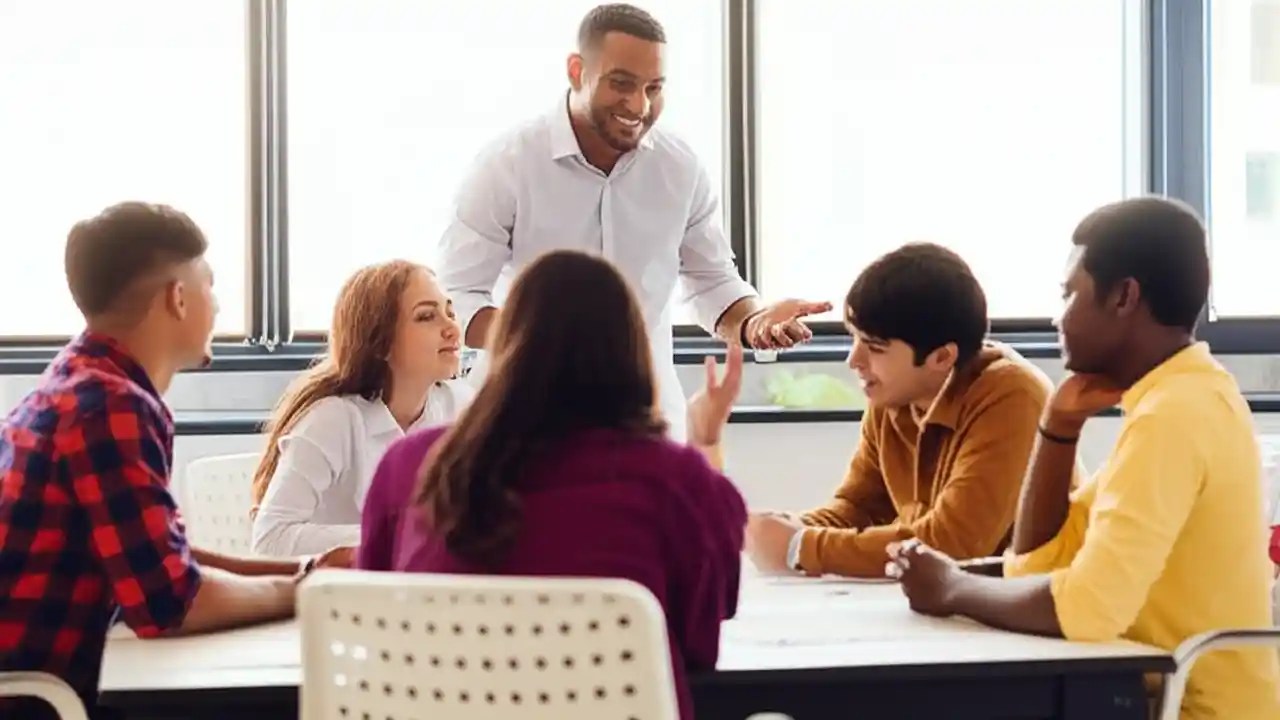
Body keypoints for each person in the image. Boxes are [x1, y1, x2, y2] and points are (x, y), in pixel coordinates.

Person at [890, 197, 1280, 719]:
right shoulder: (1180, 395)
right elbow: (1038, 558)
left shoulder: (1175, 414)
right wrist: (1057, 427)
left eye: (1068, 294)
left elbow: (1089, 608)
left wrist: (953, 589)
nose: (1058, 317)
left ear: (1124, 297)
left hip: (1191, 709)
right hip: (1149, 695)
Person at [358, 250, 747, 720]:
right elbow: (701, 637)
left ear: (506, 346)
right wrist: (706, 444)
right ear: (631, 352)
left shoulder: (408, 467)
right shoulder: (680, 481)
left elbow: (373, 626)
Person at [0, 203, 344, 720]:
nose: (219, 305)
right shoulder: (112, 407)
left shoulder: (78, 382)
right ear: (177, 298)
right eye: (211, 284)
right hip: (37, 703)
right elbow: (170, 602)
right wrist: (310, 590)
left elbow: (160, 555)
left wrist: (307, 568)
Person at [437, 3, 830, 442]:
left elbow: (712, 283)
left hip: (647, 424)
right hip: (527, 419)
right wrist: (545, 343)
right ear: (575, 70)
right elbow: (456, 295)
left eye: (654, 88)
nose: (639, 105)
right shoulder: (506, 165)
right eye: (621, 84)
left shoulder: (679, 169)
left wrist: (755, 324)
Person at [744, 243, 1053, 577]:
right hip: (957, 600)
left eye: (875, 348)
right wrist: (784, 527)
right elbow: (859, 506)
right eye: (855, 339)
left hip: (1031, 603)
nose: (854, 361)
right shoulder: (894, 394)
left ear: (942, 358)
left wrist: (802, 547)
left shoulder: (1012, 396)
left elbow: (954, 544)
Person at [250, 260, 473, 556]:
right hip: (337, 596)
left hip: (418, 591)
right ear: (380, 343)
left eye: (450, 312)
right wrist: (395, 534)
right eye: (427, 316)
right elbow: (269, 540)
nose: (451, 328)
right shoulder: (333, 420)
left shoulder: (460, 405)